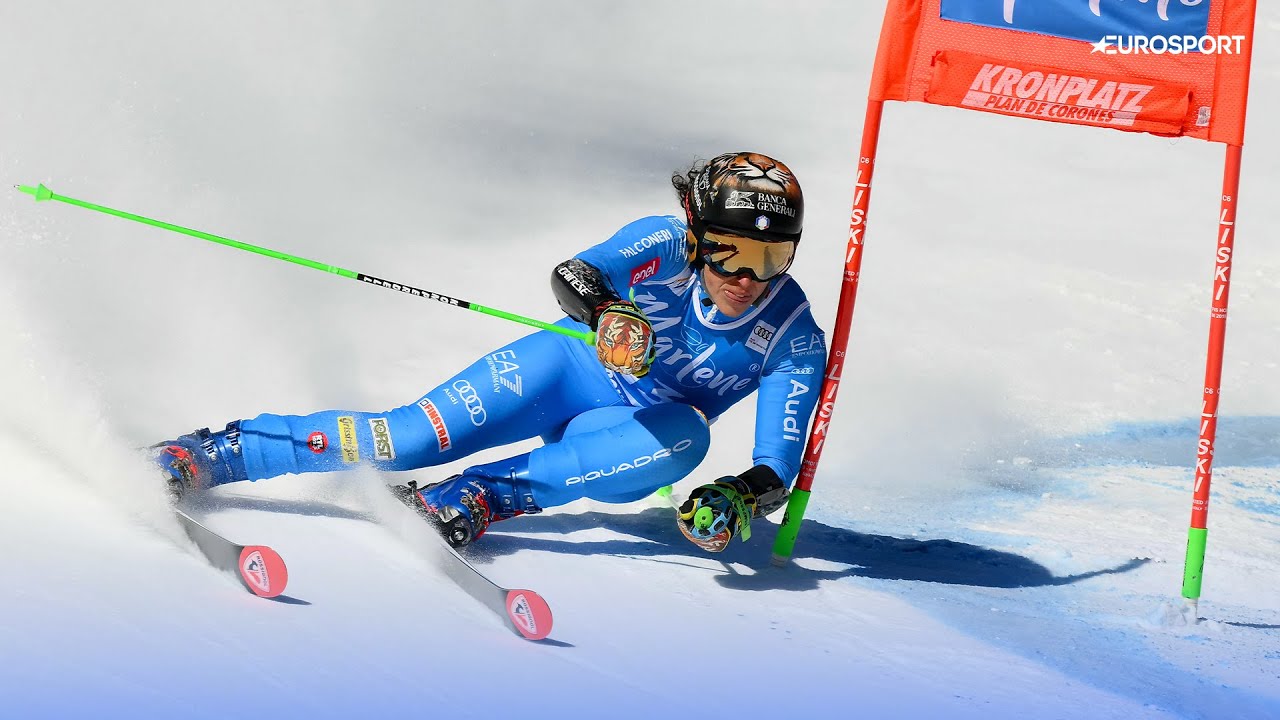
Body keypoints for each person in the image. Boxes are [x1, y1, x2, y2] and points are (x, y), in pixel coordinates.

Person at [152, 152, 827, 552]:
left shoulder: (792, 334)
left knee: (688, 436)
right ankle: (216, 453)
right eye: (730, 251)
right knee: (408, 439)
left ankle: (478, 495)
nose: (748, 277)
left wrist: (736, 498)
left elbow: (776, 467)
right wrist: (609, 312)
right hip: (568, 369)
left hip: (627, 436)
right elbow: (577, 274)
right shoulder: (667, 243)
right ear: (698, 233)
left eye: (772, 257)